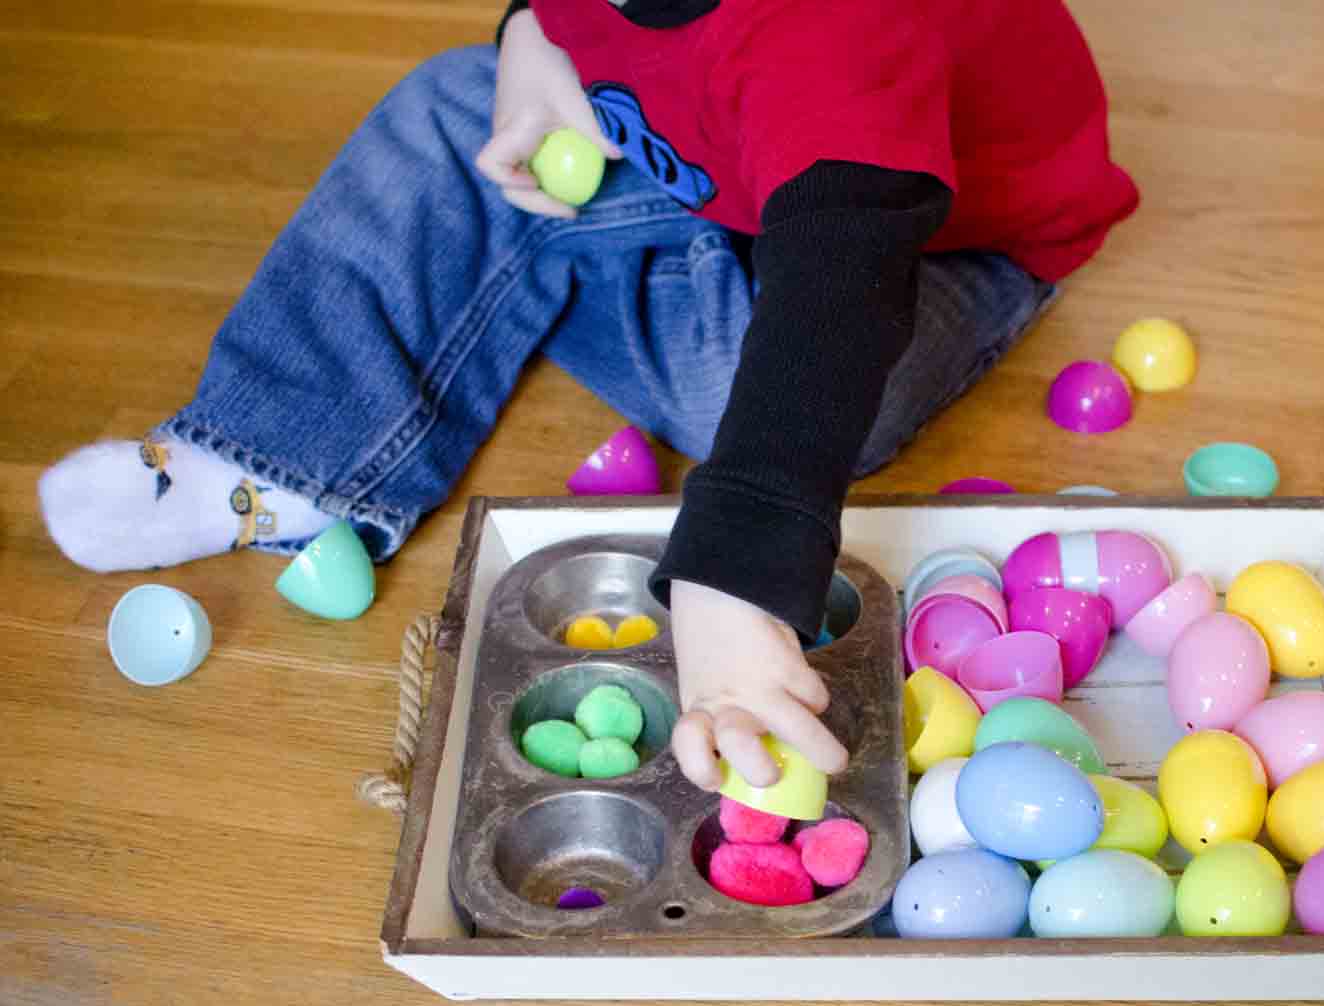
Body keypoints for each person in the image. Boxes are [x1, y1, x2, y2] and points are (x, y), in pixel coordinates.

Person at [38, 0, 1138, 791]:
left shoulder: (837, 28)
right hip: (712, 147)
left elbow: (836, 299)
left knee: (769, 390)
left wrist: (737, 577)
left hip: (930, 235)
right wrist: (529, 31)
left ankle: (515, 261)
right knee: (450, 109)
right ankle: (268, 455)